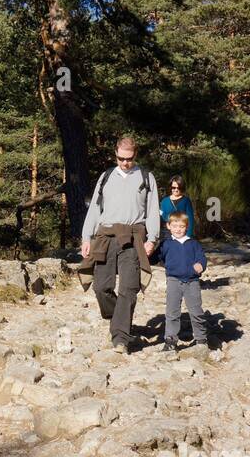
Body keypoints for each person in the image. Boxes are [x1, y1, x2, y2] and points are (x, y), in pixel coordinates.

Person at [78, 135, 160, 354]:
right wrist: (87, 238)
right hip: (105, 237)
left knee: (128, 288)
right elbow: (95, 210)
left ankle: (120, 338)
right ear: (115, 154)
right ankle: (119, 319)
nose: (125, 163)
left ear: (135, 156)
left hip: (133, 238)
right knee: (101, 287)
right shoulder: (105, 177)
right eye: (121, 158)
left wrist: (152, 239)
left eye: (129, 159)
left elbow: (152, 210)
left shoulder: (146, 177)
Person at [160, 210, 208, 352]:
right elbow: (157, 257)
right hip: (173, 280)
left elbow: (202, 258)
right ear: (169, 226)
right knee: (172, 312)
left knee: (196, 311)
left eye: (181, 226)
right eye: (175, 226)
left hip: (192, 281)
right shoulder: (166, 244)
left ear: (186, 227)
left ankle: (201, 339)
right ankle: (170, 340)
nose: (178, 229)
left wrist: (201, 265)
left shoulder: (193, 243)